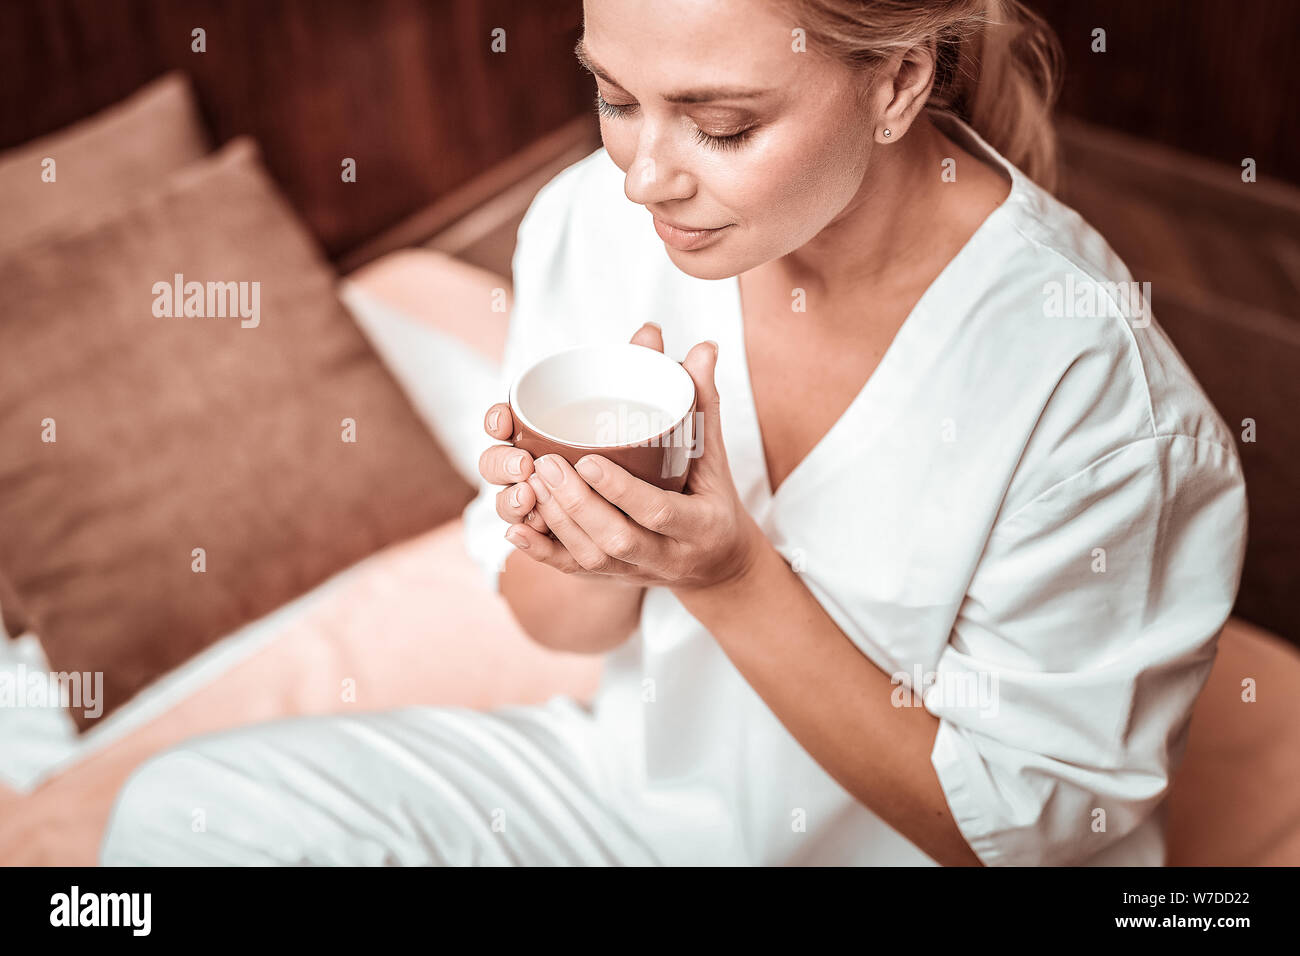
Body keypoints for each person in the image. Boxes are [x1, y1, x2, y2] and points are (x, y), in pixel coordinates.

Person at [100, 0, 1247, 866]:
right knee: (178, 817)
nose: (644, 177)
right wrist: (588, 545)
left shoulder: (1094, 399)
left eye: (719, 124)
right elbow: (552, 627)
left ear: (896, 84)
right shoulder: (593, 227)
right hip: (640, 810)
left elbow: (1013, 829)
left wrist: (730, 572)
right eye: (613, 97)